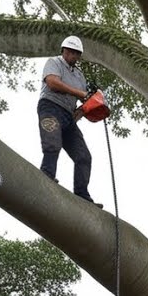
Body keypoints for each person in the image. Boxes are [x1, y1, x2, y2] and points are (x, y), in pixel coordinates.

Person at [38, 35, 98, 206]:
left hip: (68, 116)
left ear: (79, 55)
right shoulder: (54, 62)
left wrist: (91, 104)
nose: (72, 55)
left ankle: (81, 194)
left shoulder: (80, 76)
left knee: (84, 157)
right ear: (63, 50)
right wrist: (80, 94)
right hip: (50, 107)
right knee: (52, 144)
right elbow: (52, 83)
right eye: (70, 51)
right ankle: (47, 176)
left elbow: (85, 102)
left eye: (76, 53)